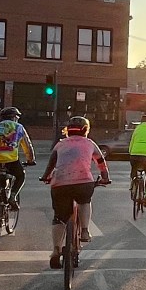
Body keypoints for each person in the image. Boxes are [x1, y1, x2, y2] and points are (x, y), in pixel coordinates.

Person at [40, 115, 111, 268]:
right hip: (83, 182)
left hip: (60, 184)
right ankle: (85, 230)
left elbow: (51, 164)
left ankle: (56, 250)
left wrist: (46, 177)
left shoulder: (60, 145)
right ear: (86, 130)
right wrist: (105, 177)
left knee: (59, 217)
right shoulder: (90, 143)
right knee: (84, 201)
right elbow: (100, 162)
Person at [0, 107, 36, 209]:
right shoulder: (18, 127)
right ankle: (12, 196)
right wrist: (30, 160)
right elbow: (27, 146)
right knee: (21, 176)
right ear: (15, 117)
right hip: (11, 160)